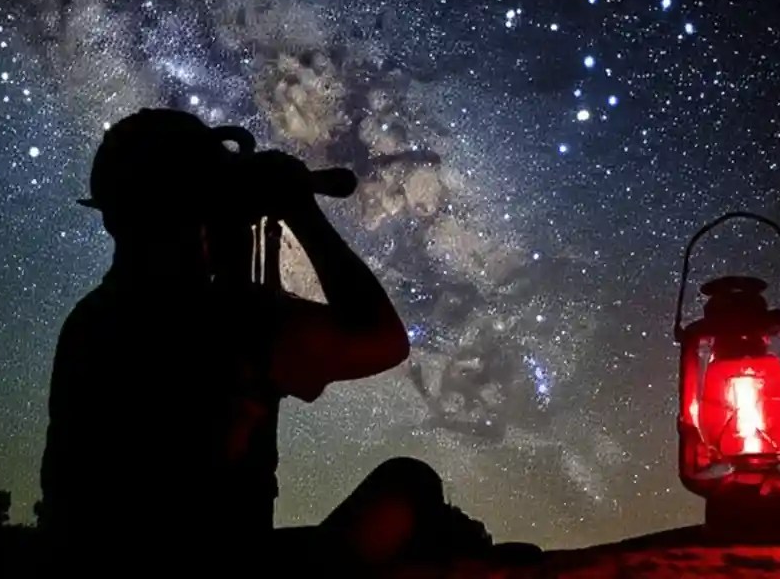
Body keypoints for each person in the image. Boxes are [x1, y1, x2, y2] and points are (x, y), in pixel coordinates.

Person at [37, 108, 512, 576]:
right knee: (411, 483)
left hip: (96, 564)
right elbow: (384, 340)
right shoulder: (232, 318)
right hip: (216, 566)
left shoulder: (91, 320)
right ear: (198, 209)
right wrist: (300, 210)